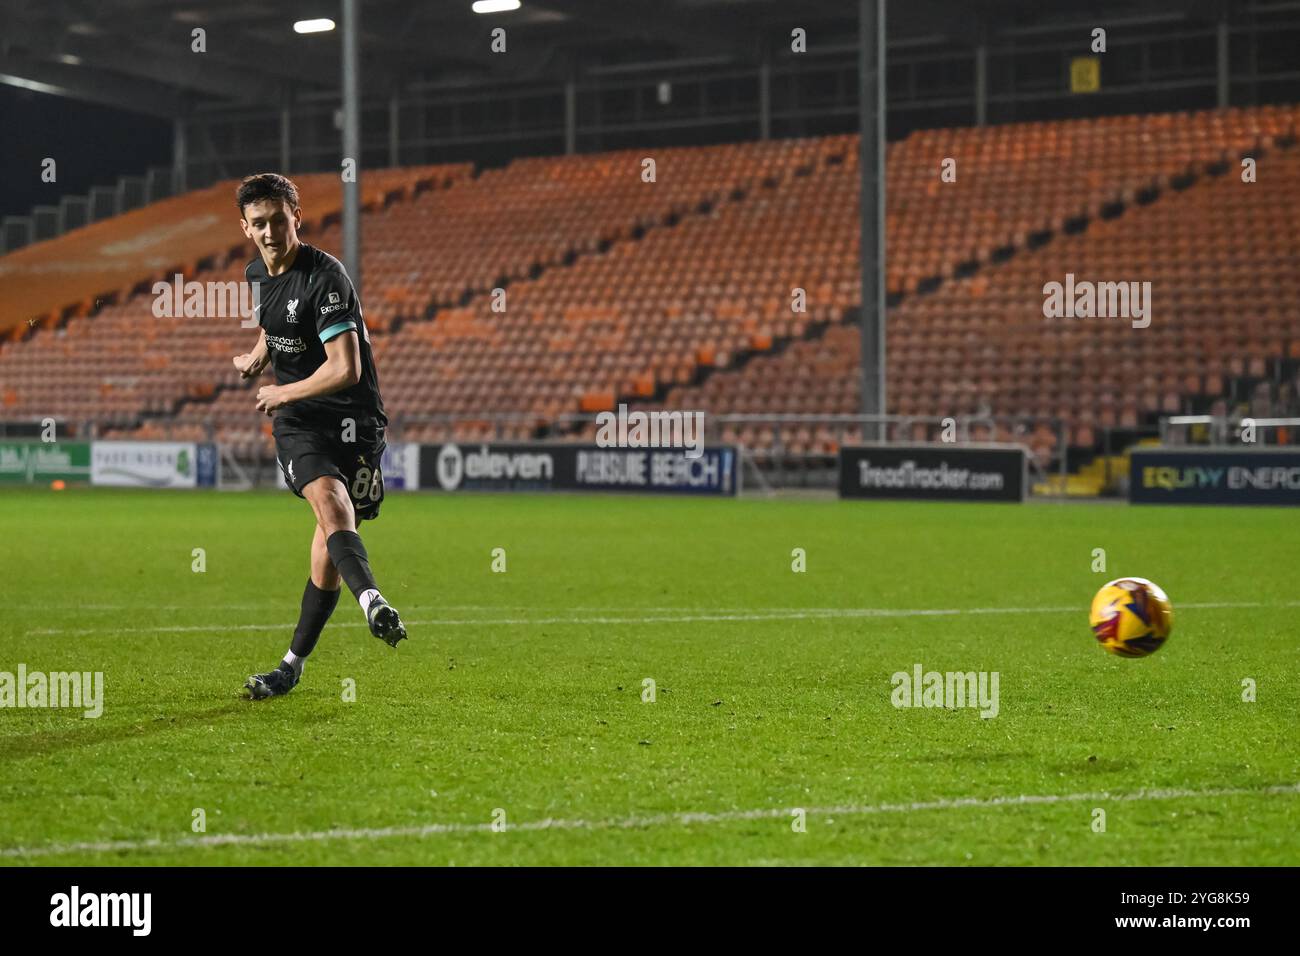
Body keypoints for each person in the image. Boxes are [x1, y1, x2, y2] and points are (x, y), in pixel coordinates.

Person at [231, 173, 407, 699]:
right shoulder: (255, 274)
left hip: (354, 421)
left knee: (326, 555)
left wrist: (280, 391)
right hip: (301, 422)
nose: (268, 232)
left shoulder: (327, 276)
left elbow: (347, 368)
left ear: (296, 219)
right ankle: (374, 601)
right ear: (245, 228)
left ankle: (291, 665)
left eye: (277, 220)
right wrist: (258, 358)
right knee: (331, 504)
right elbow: (276, 322)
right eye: (258, 223)